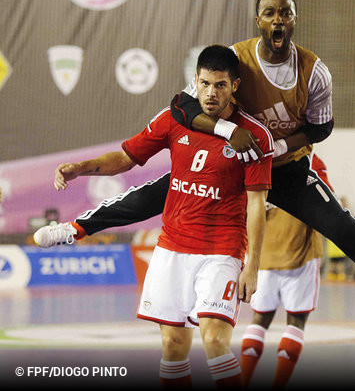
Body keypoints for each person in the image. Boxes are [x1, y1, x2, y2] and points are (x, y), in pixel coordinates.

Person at [34, 0, 355, 320]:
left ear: (294, 20)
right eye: (270, 13)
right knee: (147, 196)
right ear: (259, 20)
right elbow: (184, 106)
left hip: (284, 168)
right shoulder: (237, 61)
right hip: (227, 164)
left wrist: (274, 144)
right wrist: (231, 131)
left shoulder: (314, 71)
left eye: (285, 13)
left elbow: (321, 127)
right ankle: (75, 229)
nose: (278, 20)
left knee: (342, 226)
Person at [41, 46, 275, 388]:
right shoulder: (174, 119)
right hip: (173, 247)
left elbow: (257, 204)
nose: (212, 93)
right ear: (195, 80)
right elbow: (126, 156)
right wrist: (81, 168)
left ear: (235, 85)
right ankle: (75, 228)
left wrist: (252, 266)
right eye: (206, 83)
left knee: (214, 340)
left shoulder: (254, 136)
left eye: (221, 85)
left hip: (221, 249)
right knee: (172, 345)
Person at [240, 152, 329, 388]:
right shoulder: (311, 160)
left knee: (259, 319)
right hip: (300, 251)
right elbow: (326, 203)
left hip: (264, 254)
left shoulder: (257, 158)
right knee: (296, 322)